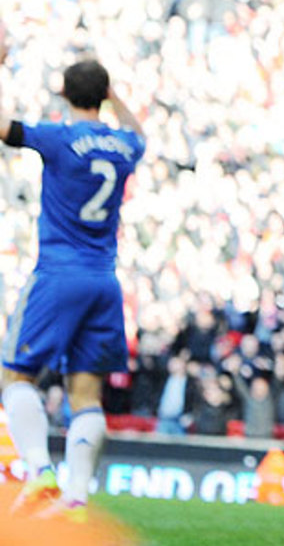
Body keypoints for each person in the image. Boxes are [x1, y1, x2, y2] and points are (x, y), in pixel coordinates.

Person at [0, 54, 146, 520]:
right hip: (104, 282)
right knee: (85, 396)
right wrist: (113, 99)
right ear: (104, 95)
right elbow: (141, 133)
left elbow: (4, 128)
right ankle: (77, 497)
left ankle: (40, 470)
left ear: (64, 93)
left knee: (15, 377)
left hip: (58, 276)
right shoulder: (124, 144)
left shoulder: (59, 138)